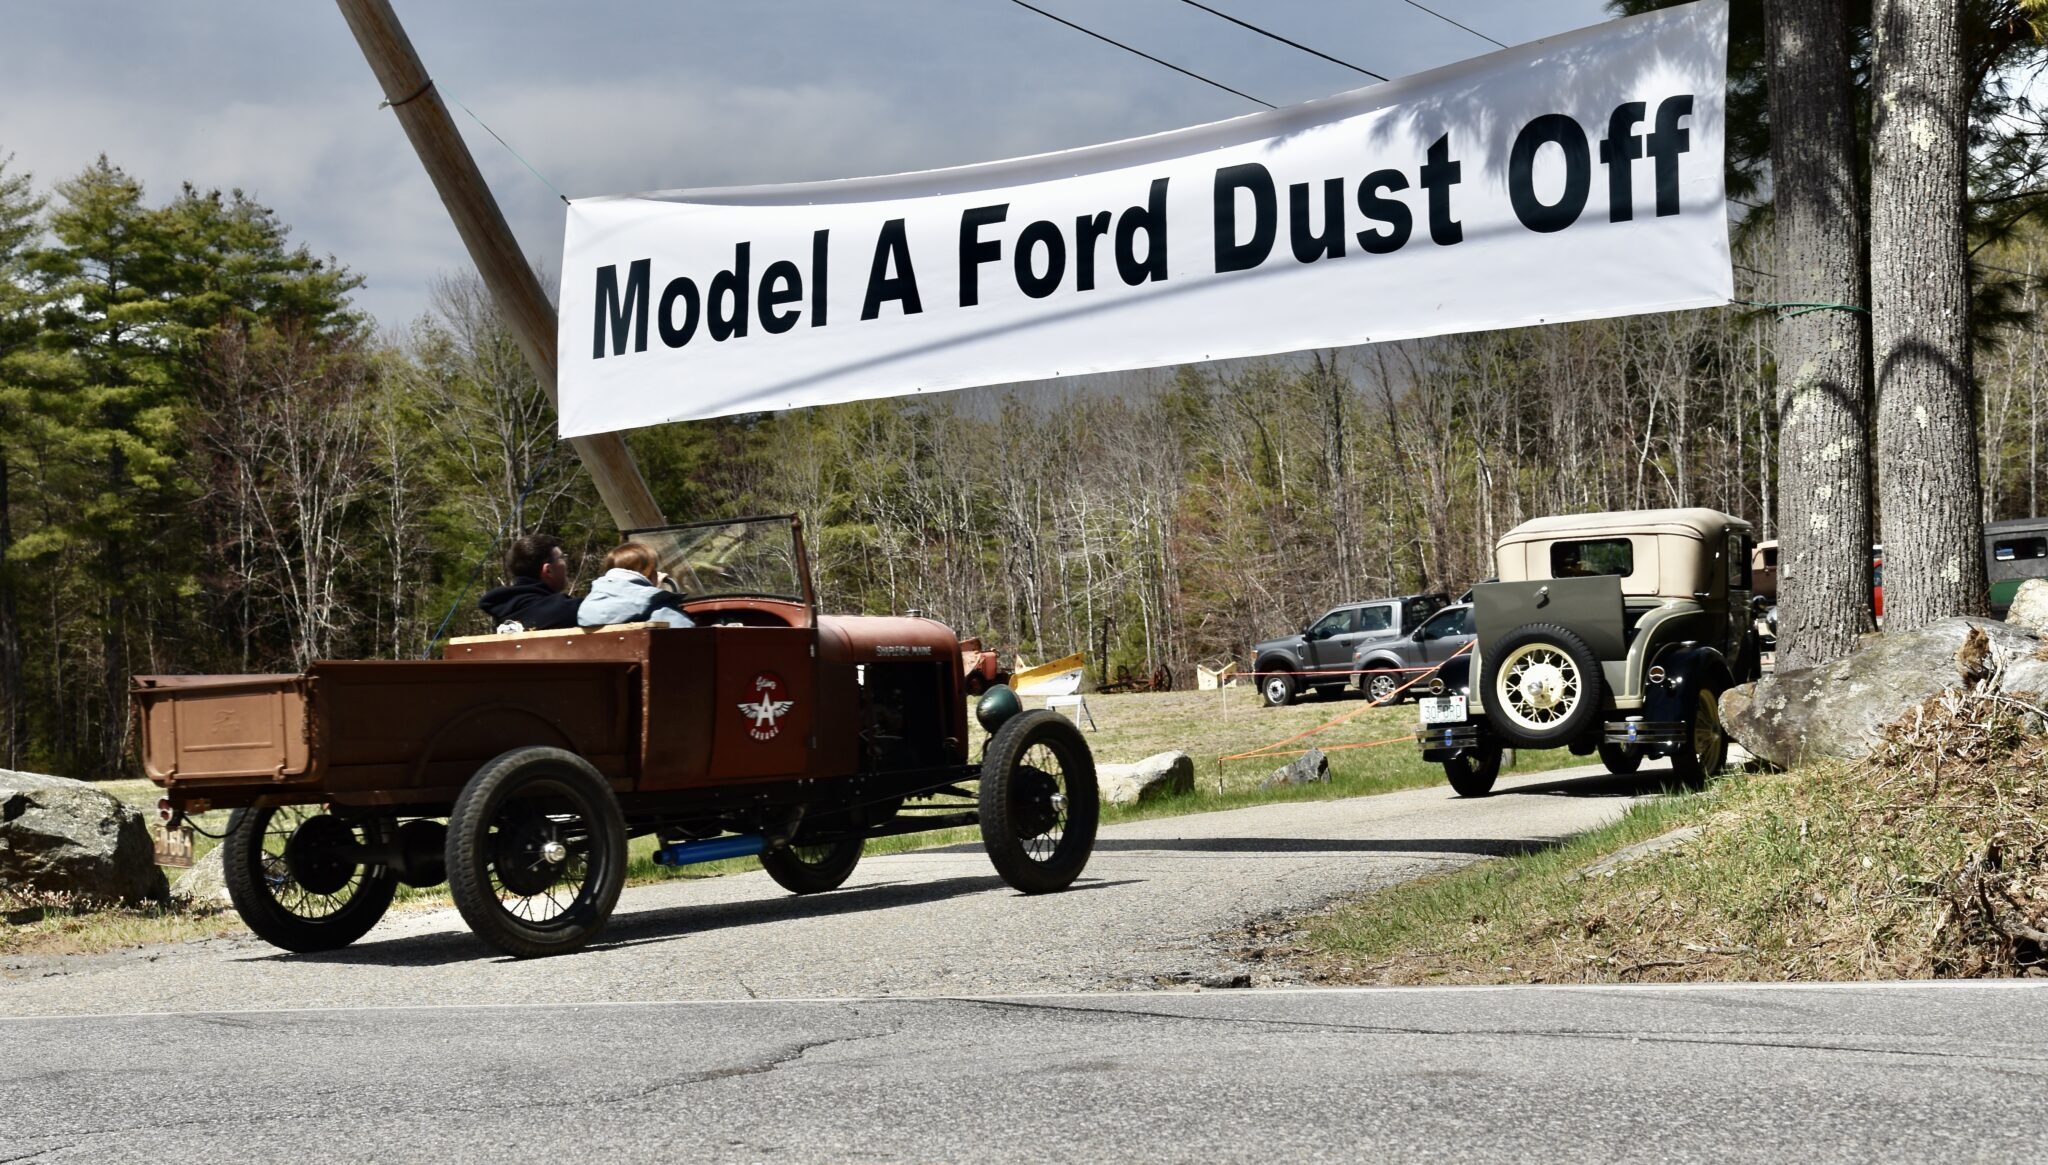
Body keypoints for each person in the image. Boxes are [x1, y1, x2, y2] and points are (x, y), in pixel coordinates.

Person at [478, 534, 581, 633]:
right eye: (562, 558)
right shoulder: (567, 610)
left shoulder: (502, 610)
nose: (565, 563)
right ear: (548, 570)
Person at [579, 542, 695, 628]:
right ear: (649, 573)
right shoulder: (658, 608)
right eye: (655, 569)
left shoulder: (587, 607)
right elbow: (692, 639)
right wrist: (654, 593)